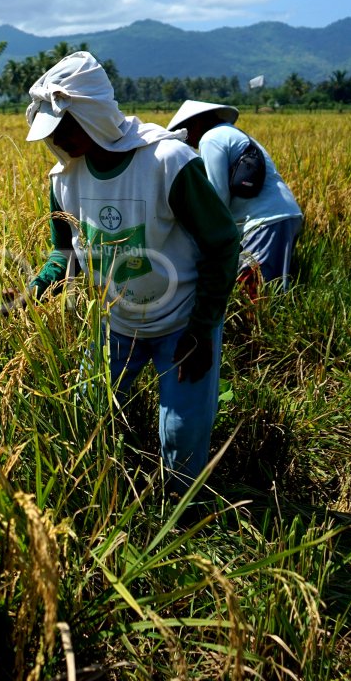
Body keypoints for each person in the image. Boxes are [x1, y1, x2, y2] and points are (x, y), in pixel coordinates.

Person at [23, 52, 241, 495]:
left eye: (65, 127)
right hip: (115, 325)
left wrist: (202, 328)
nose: (58, 140)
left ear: (93, 115)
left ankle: (181, 523)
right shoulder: (64, 177)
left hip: (182, 325)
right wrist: (32, 290)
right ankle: (105, 496)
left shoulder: (167, 161)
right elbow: (63, 254)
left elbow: (221, 243)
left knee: (181, 438)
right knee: (89, 417)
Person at [167, 100, 304, 299]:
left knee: (255, 294)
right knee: (273, 289)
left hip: (265, 221)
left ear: (195, 124)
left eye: (184, 132)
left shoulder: (211, 138)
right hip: (282, 216)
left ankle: (259, 330)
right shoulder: (230, 133)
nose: (187, 140)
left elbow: (216, 198)